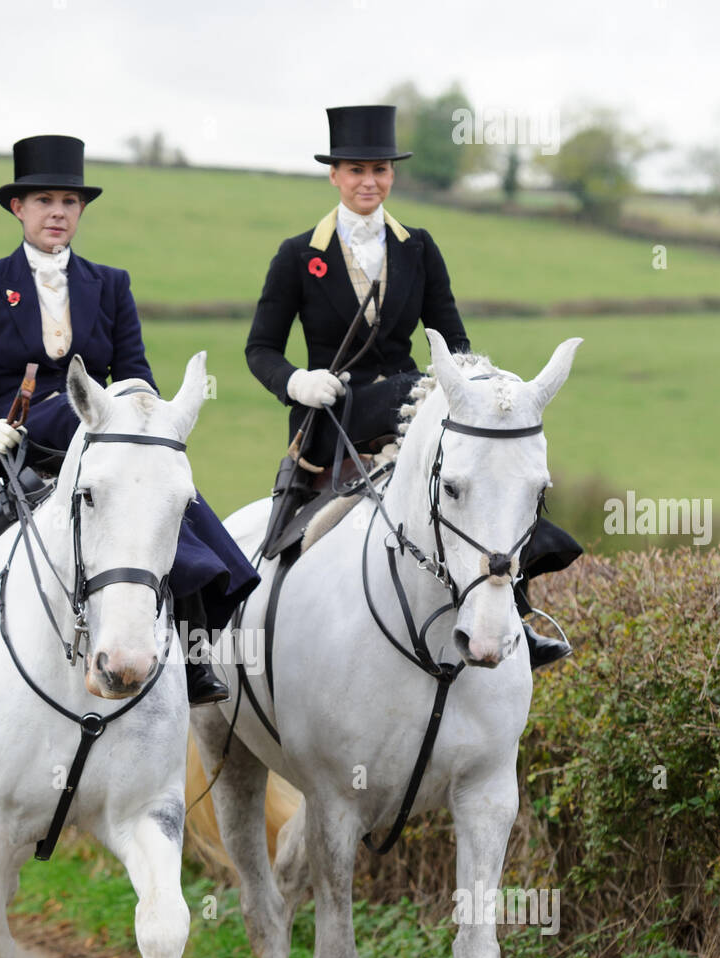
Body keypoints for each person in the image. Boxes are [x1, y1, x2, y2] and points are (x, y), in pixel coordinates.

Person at [245, 105, 579, 669]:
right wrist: (297, 383)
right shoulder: (298, 255)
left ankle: (517, 605)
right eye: (355, 170)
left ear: (392, 175)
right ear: (335, 176)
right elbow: (260, 350)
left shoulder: (418, 248)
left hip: (414, 404)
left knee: (490, 461)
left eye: (378, 169)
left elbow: (456, 342)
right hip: (333, 417)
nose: (368, 181)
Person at [0, 135, 258, 703]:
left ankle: (196, 646)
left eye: (69, 202)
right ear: (18, 208)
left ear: (81, 210)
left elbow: (136, 377)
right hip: (20, 450)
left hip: (104, 442)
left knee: (166, 499)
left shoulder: (111, 284)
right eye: (44, 202)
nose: (57, 213)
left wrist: (143, 426)